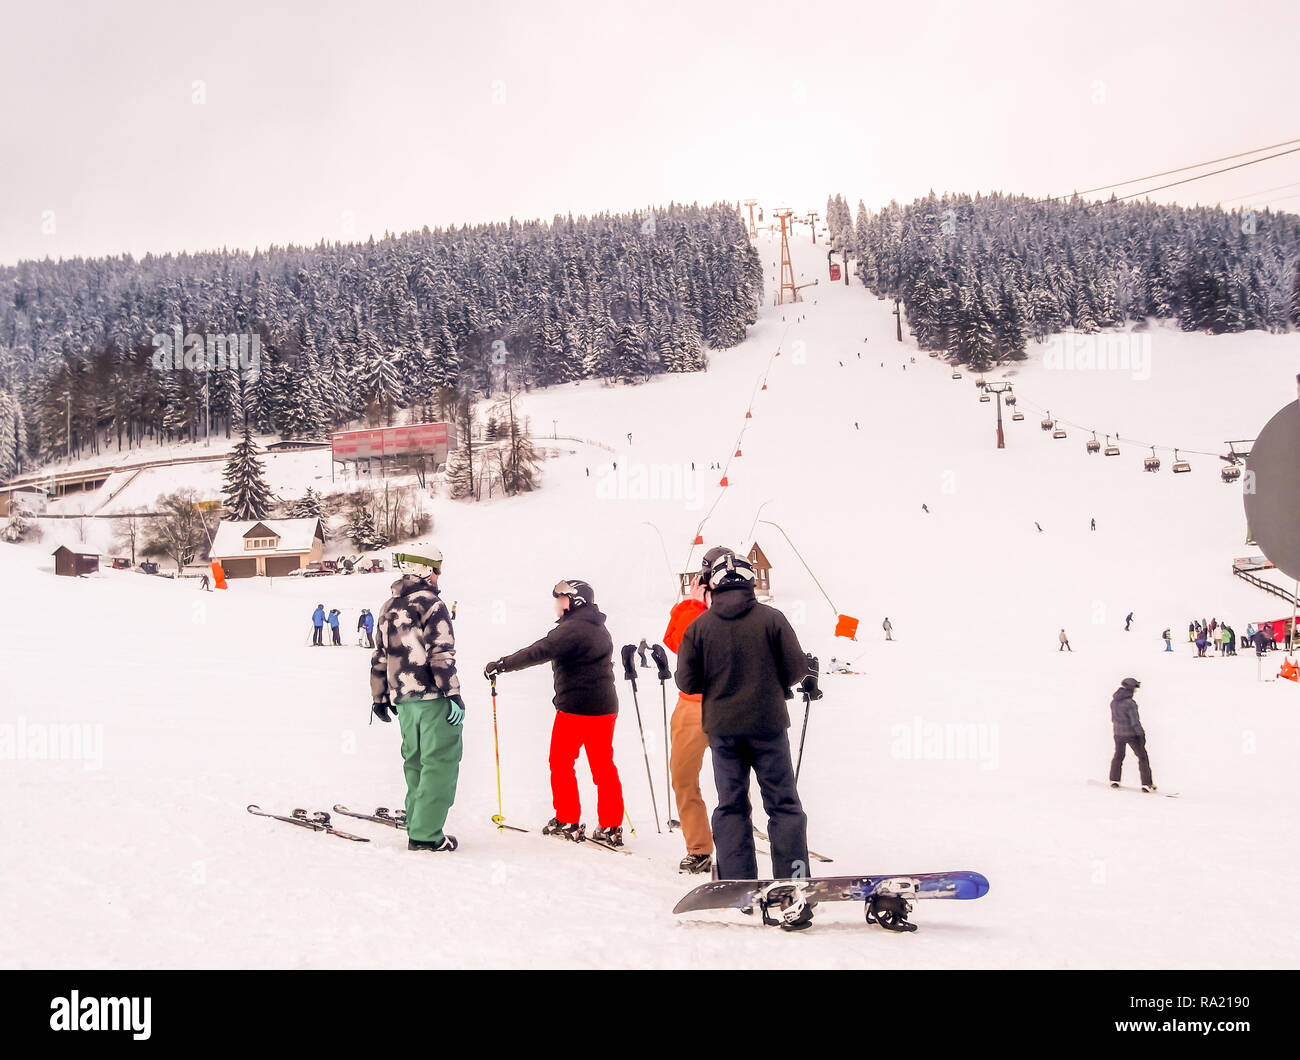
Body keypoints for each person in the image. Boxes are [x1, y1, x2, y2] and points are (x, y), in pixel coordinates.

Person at [675, 549, 815, 930]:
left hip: (723, 729)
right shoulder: (772, 619)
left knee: (732, 805)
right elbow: (795, 668)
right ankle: (793, 884)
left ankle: (738, 885)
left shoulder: (699, 628)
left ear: (714, 584)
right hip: (768, 725)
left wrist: (718, 684)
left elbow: (687, 681)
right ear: (750, 581)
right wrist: (768, 684)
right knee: (783, 805)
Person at [484, 579, 624, 846]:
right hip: (605, 709)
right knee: (603, 766)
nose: (557, 605)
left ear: (575, 601)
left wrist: (502, 665)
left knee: (561, 762)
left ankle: (568, 818)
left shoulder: (573, 629)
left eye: (561, 599)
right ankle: (611, 824)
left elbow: (539, 651)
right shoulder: (597, 626)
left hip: (575, 710)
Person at [370, 549, 463, 853]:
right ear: (423, 570)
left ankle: (417, 821)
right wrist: (453, 694)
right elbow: (441, 653)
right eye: (436, 569)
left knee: (416, 762)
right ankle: (426, 834)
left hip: (404, 700)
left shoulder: (389, 606)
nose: (438, 576)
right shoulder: (431, 604)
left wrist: (379, 696)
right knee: (440, 762)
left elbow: (381, 655)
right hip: (433, 696)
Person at [661, 555, 728, 875]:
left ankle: (733, 843)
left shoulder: (735, 606)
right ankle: (699, 847)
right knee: (683, 777)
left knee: (734, 778)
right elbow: (675, 641)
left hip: (729, 702)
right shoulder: (693, 610)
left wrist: (699, 606)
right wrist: (693, 604)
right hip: (691, 703)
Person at [1108, 677, 1156, 792]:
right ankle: (1147, 784)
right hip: (1131, 734)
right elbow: (1135, 722)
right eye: (1135, 688)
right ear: (1131, 689)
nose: (1136, 691)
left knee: (1118, 756)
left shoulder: (1114, 701)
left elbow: (1114, 719)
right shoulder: (1130, 703)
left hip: (1117, 733)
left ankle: (1114, 780)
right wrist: (1141, 735)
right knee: (1143, 757)